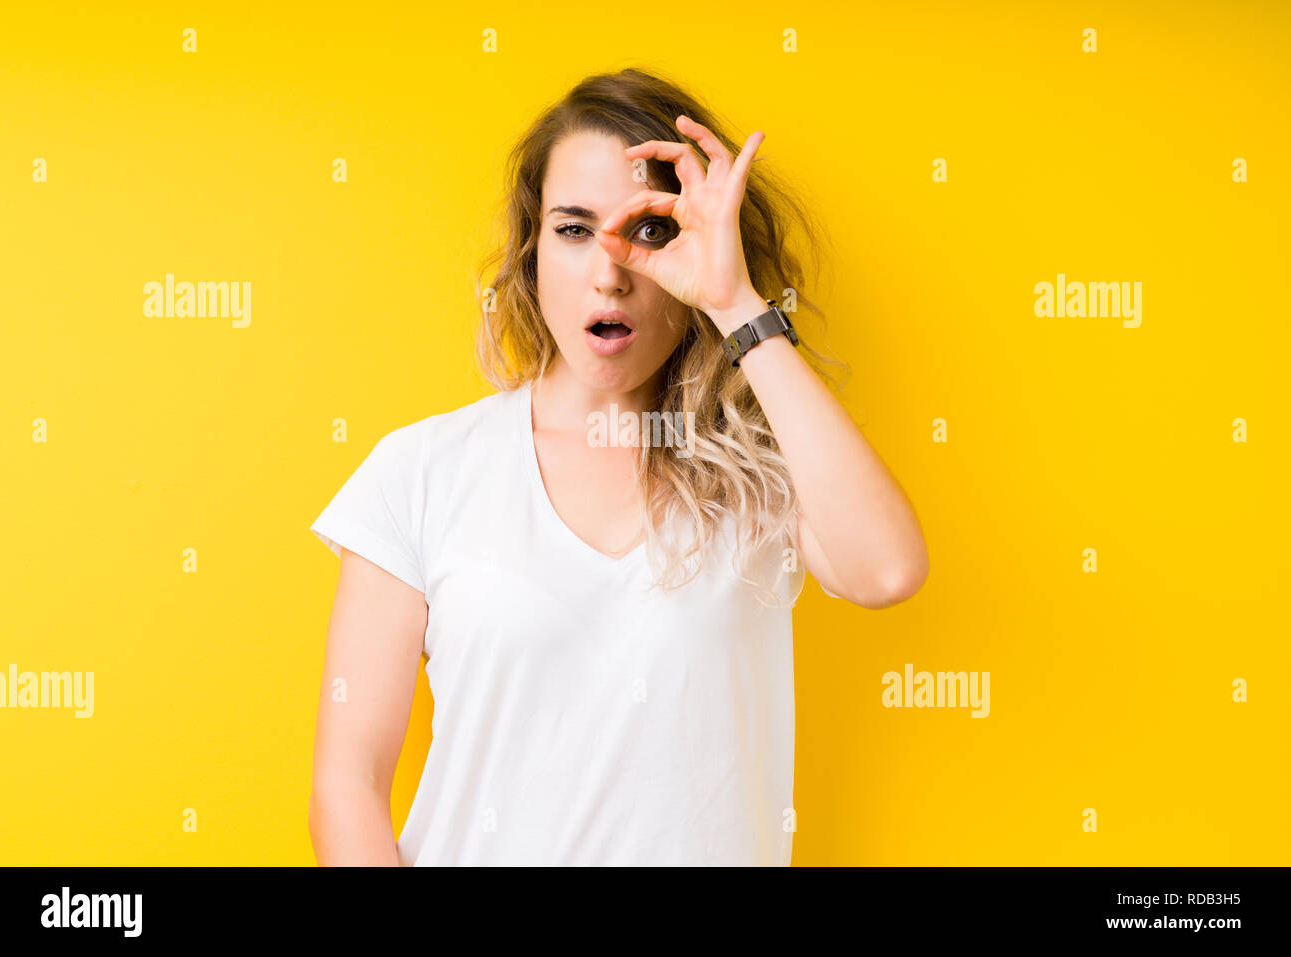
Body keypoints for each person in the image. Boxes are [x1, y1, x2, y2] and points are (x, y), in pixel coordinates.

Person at [307, 67, 929, 866]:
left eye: (649, 229)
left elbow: (885, 571)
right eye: (573, 229)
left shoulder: (764, 469)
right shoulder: (422, 471)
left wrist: (734, 301)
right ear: (531, 253)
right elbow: (348, 782)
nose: (609, 271)